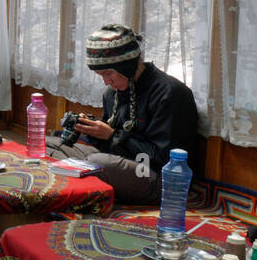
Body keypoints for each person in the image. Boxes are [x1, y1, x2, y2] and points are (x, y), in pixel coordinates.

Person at [46, 23, 199, 205]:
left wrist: (112, 135)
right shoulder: (112, 93)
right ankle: (86, 184)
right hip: (118, 162)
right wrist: (91, 130)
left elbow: (161, 159)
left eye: (108, 73)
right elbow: (106, 146)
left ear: (127, 66)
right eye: (100, 75)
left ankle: (85, 185)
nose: (106, 82)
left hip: (160, 178)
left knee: (98, 162)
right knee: (48, 144)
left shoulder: (170, 93)